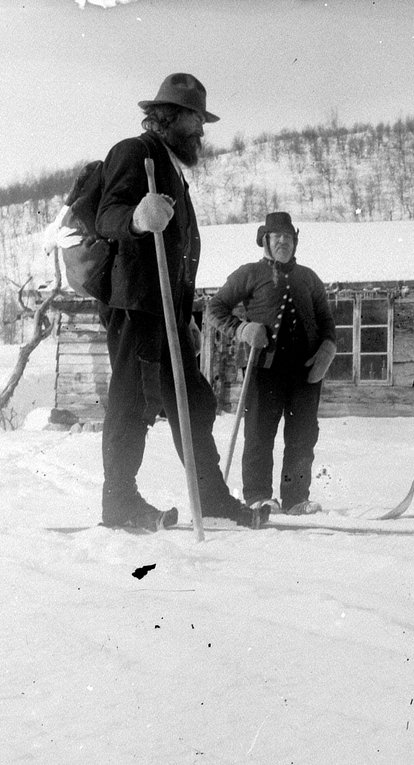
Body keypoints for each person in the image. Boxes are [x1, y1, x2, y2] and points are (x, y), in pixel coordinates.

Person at [95, 72, 264, 531]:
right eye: (196, 119)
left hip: (169, 314)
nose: (202, 131)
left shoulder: (170, 167)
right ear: (168, 116)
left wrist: (188, 316)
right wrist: (135, 217)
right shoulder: (134, 152)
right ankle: (119, 502)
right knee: (131, 402)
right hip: (139, 309)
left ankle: (209, 497)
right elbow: (106, 215)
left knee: (192, 402)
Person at [206, 212, 337, 515]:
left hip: (306, 373)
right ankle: (258, 497)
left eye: (289, 237)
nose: (283, 242)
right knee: (259, 435)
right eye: (277, 237)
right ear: (265, 240)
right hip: (264, 370)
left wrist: (326, 352)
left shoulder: (309, 278)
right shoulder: (249, 273)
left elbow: (328, 323)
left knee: (302, 436)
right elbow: (215, 307)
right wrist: (242, 329)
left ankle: (295, 499)